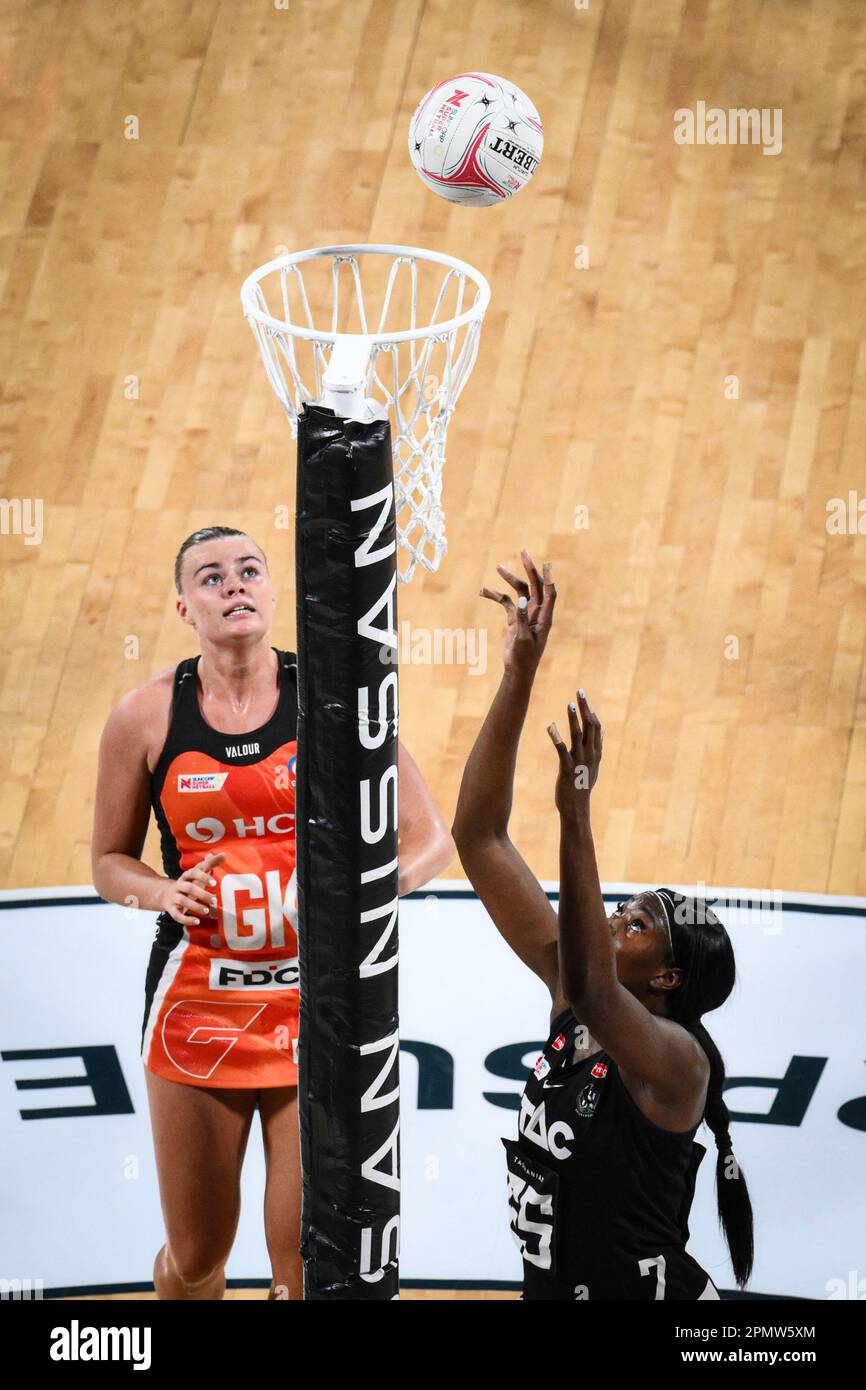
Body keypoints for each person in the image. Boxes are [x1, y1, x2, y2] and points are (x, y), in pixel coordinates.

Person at [91, 525, 454, 1300]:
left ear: (271, 590)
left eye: (249, 570)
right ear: (184, 607)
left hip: (314, 1008)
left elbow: (430, 841)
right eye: (212, 577)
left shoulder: (331, 696)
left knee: (304, 1259)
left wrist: (362, 896)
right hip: (197, 1001)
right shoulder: (143, 717)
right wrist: (160, 892)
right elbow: (108, 864)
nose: (235, 585)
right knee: (197, 1256)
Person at [452, 548, 754, 1300]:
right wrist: (519, 674)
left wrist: (576, 814)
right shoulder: (574, 994)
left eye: (639, 923)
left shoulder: (677, 1064)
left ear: (668, 976)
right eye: (625, 908)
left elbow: (592, 989)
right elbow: (479, 837)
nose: (620, 917)